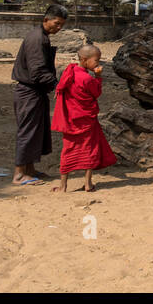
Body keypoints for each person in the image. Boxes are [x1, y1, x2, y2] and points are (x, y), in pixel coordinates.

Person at [11, 4, 67, 185]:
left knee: (37, 131)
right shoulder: (37, 39)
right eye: (56, 24)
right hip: (29, 92)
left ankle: (30, 169)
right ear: (46, 20)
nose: (58, 28)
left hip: (35, 92)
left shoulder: (42, 37)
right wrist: (58, 87)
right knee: (28, 131)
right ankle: (19, 174)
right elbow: (38, 71)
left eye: (61, 25)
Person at [50, 43, 117, 193]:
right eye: (96, 61)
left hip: (71, 120)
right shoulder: (87, 79)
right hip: (85, 119)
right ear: (85, 60)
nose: (98, 64)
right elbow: (96, 93)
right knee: (89, 149)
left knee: (68, 150)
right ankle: (87, 183)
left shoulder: (70, 72)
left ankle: (63, 186)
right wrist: (98, 77)